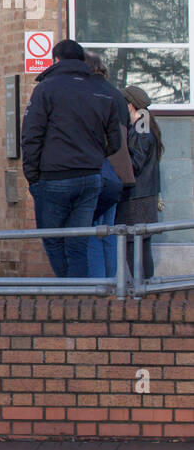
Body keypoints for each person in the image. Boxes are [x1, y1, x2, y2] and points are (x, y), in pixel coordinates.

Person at [21, 39, 120, 278]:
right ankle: (78, 297)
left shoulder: (46, 89)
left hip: (54, 178)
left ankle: (68, 289)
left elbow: (31, 135)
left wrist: (33, 177)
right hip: (90, 177)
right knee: (78, 242)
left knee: (53, 240)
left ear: (56, 59)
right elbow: (115, 142)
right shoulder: (102, 91)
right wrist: (94, 157)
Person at [84, 52, 128, 279]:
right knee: (109, 232)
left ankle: (97, 284)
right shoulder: (116, 94)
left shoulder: (89, 93)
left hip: (97, 170)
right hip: (117, 176)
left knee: (92, 231)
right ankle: (112, 282)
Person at [116, 85, 163, 281]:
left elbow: (134, 165)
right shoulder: (143, 127)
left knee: (135, 248)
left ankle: (142, 292)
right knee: (139, 247)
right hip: (142, 197)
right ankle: (144, 289)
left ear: (129, 105)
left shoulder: (141, 130)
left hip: (136, 198)